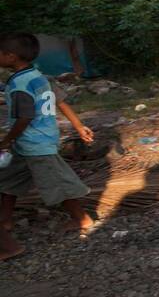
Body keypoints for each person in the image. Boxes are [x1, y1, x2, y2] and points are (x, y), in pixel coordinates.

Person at [0, 33, 94, 261]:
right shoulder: (38, 76)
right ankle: (5, 220)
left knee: (56, 183)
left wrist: (7, 139)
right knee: (9, 180)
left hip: (36, 143)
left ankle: (82, 218)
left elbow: (24, 117)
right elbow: (61, 101)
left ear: (10, 56)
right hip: (29, 143)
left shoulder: (21, 85)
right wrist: (79, 125)